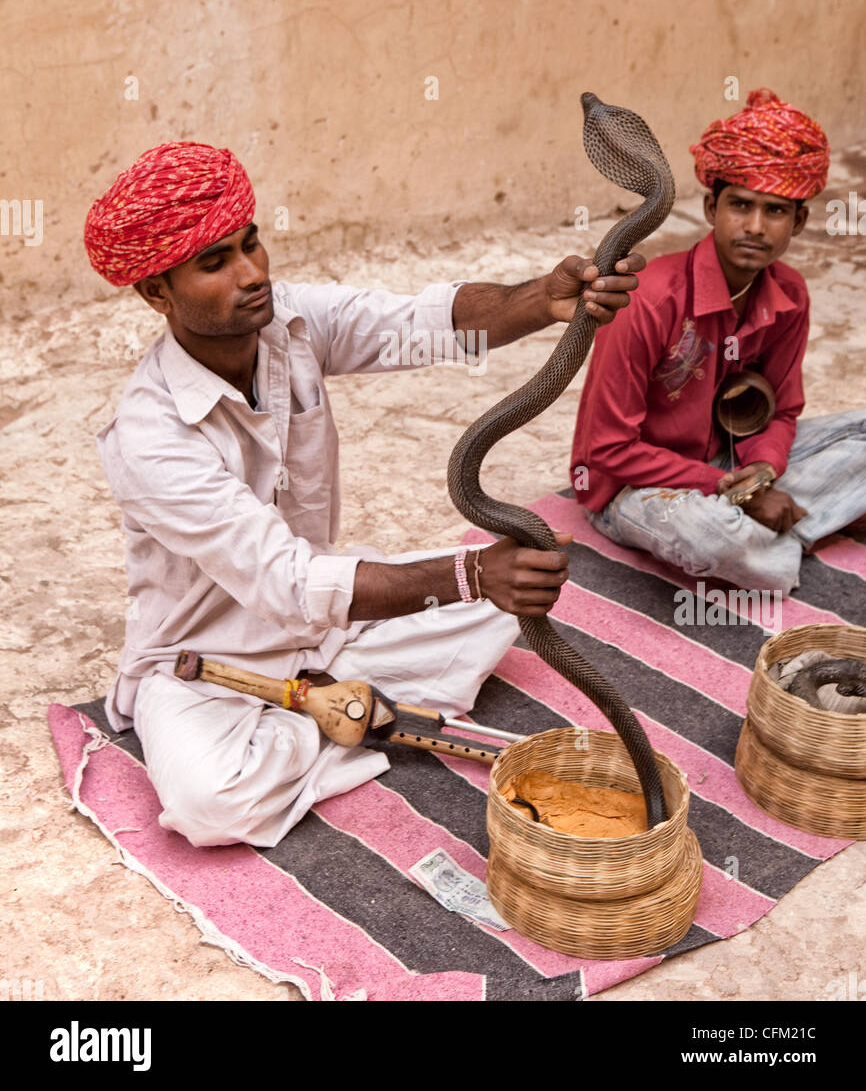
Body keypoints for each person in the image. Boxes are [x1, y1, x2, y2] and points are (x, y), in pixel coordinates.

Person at [84, 140, 644, 847]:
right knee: (209, 805)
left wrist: (541, 300)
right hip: (207, 667)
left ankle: (326, 703)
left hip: (326, 626)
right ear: (155, 292)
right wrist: (469, 574)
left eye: (251, 245)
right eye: (215, 262)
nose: (252, 273)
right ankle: (341, 720)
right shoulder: (148, 434)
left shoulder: (290, 322)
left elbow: (420, 324)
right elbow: (286, 583)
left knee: (506, 603)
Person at [570, 88, 866, 597]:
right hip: (637, 486)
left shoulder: (790, 293)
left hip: (730, 464)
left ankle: (770, 539)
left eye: (775, 212)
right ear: (711, 207)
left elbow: (782, 412)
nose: (754, 227)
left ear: (798, 223)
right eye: (741, 206)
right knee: (708, 534)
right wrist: (734, 492)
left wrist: (759, 474)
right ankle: (784, 535)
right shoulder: (649, 301)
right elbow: (609, 448)